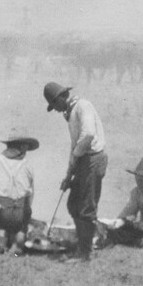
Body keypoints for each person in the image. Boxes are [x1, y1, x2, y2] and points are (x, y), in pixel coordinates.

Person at [44, 81, 108, 262]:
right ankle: (82, 245)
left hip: (93, 159)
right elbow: (75, 146)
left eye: (55, 105)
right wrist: (68, 175)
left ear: (61, 97)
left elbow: (88, 135)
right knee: (73, 204)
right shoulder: (70, 113)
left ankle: (85, 253)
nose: (56, 110)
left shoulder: (83, 106)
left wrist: (77, 156)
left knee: (87, 207)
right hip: (83, 160)